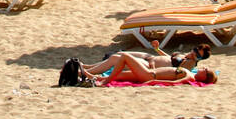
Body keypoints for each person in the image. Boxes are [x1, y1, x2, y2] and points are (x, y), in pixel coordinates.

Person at [81, 43, 211, 78]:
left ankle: (85, 71)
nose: (194, 54)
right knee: (119, 54)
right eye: (195, 50)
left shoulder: (189, 64)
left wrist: (154, 68)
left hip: (149, 65)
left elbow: (173, 70)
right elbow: (169, 58)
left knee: (117, 58)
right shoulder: (186, 56)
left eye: (197, 56)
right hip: (149, 57)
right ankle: (87, 67)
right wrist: (157, 49)